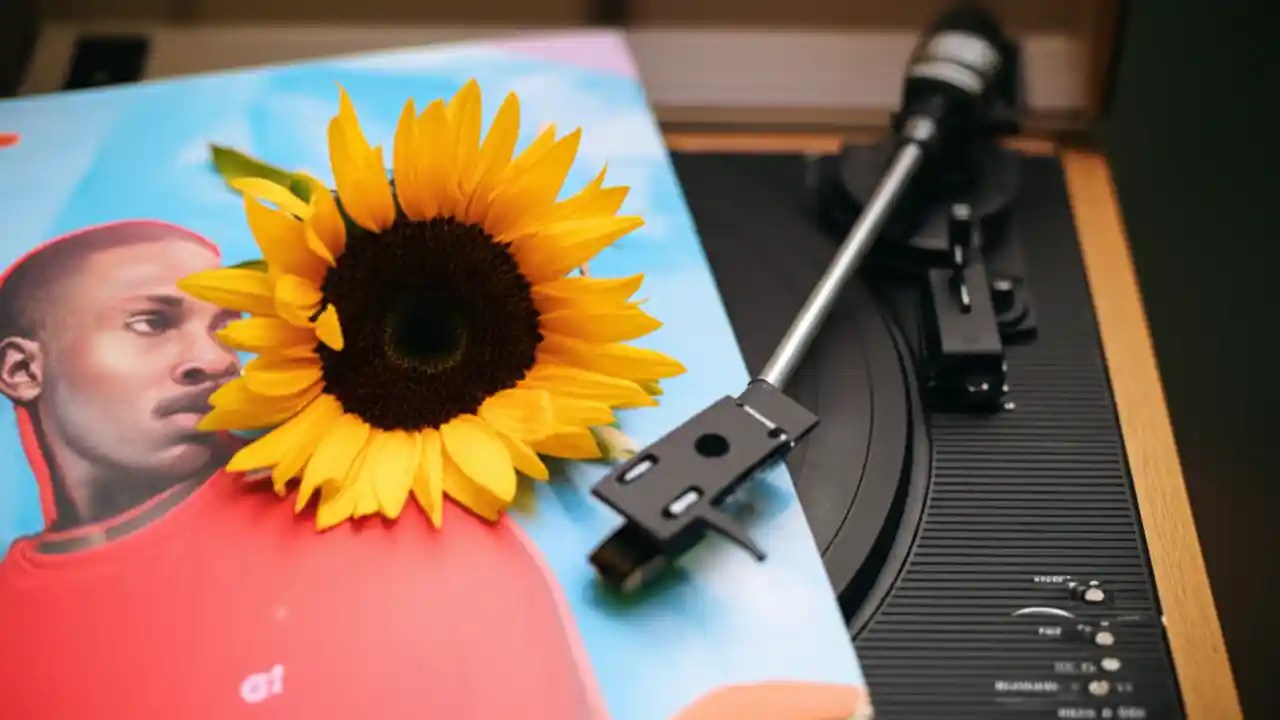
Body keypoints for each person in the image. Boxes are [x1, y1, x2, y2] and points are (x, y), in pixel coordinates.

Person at [0, 220, 608, 719]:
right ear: (22, 371)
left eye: (228, 326)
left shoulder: (391, 513)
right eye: (151, 323)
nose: (213, 360)